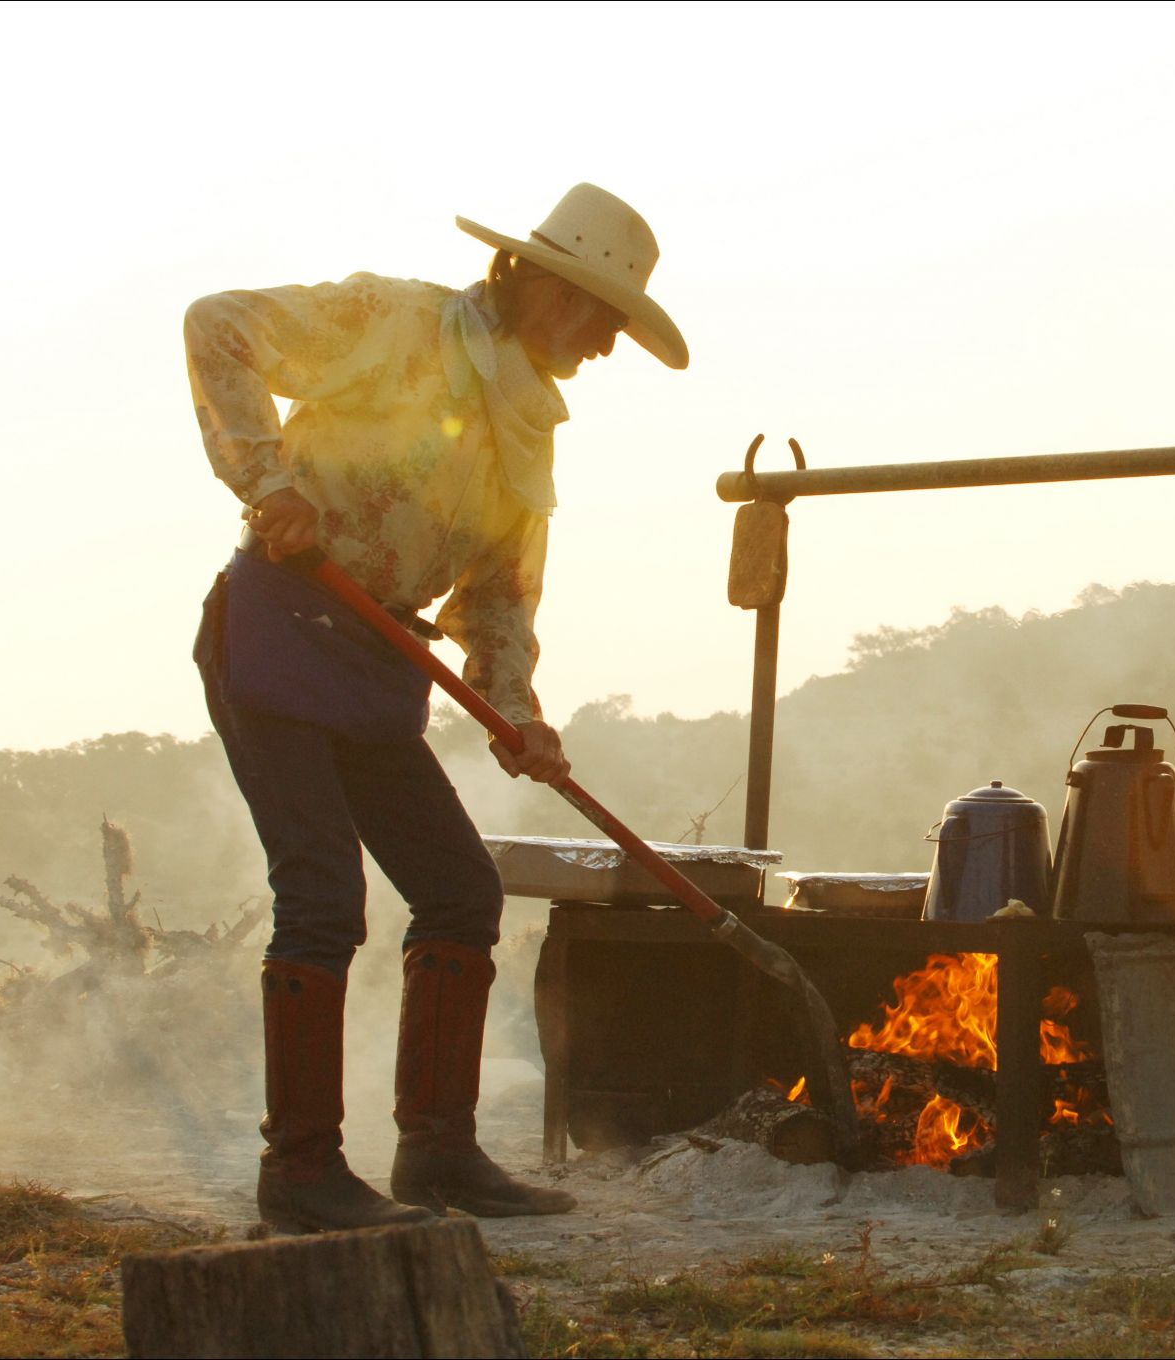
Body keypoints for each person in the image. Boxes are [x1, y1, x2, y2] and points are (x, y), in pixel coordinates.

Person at [185, 183, 689, 1233]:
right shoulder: (394, 323)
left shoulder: (527, 434)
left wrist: (517, 712)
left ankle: (440, 1155)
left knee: (460, 890)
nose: (603, 348)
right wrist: (266, 480)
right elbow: (217, 324)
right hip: (277, 629)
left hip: (376, 661)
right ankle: (301, 1171)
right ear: (544, 286)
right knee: (323, 896)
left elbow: (498, 594)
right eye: (601, 317)